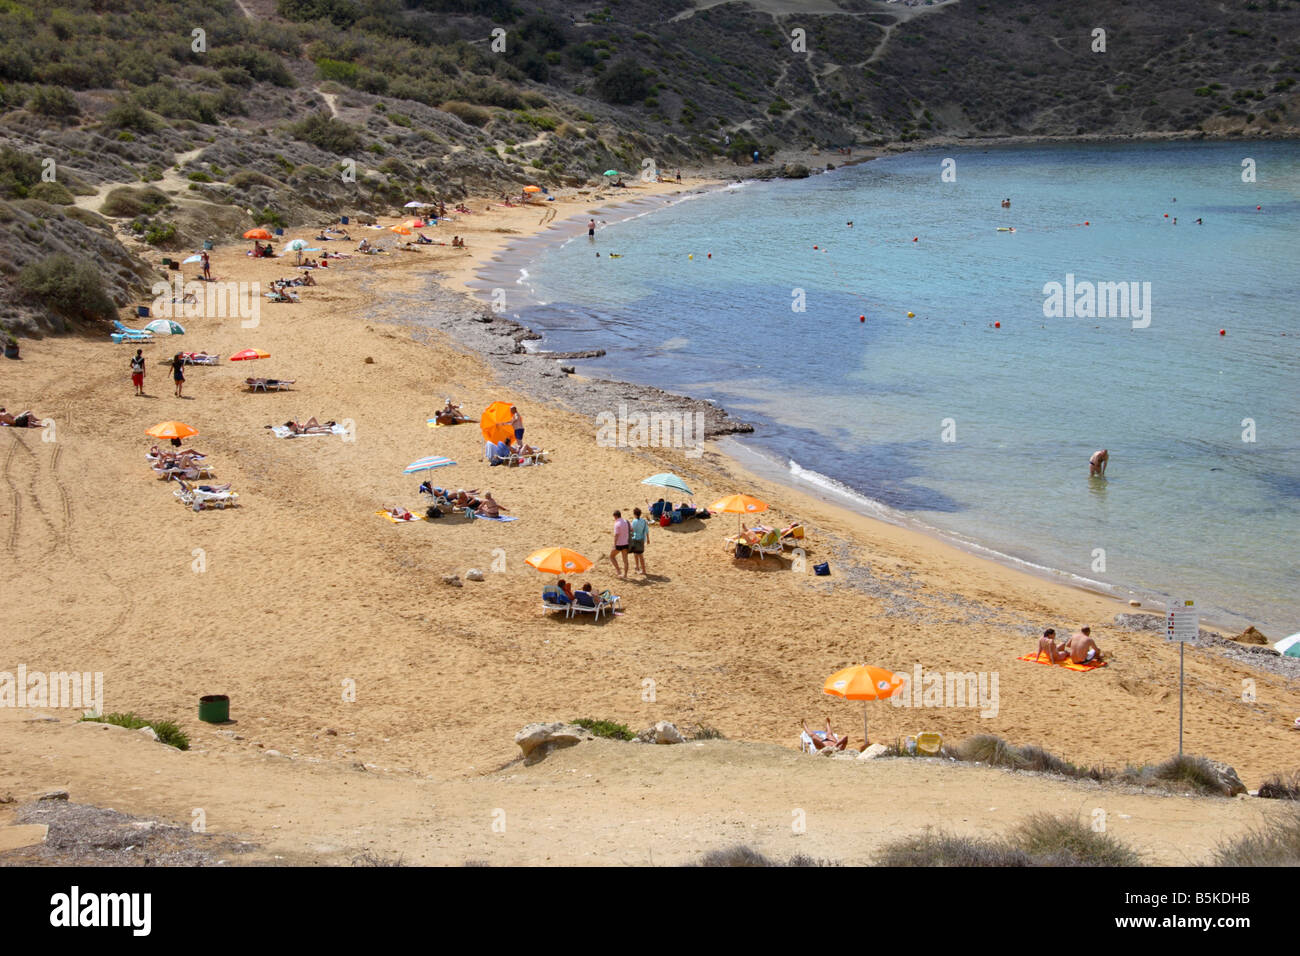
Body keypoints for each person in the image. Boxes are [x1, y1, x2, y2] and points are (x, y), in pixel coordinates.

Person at [629, 506, 649, 574]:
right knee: (639, 554)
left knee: (637, 554)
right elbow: (646, 530)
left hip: (635, 539)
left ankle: (641, 569)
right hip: (641, 539)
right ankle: (639, 568)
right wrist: (648, 539)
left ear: (635, 514)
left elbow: (631, 530)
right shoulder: (644, 521)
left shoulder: (634, 522)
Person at [609, 510, 630, 578]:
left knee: (611, 556)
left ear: (616, 516)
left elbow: (616, 535)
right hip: (626, 543)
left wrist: (614, 545)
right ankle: (625, 575)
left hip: (619, 544)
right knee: (625, 560)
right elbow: (632, 529)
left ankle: (618, 571)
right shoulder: (626, 522)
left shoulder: (617, 523)